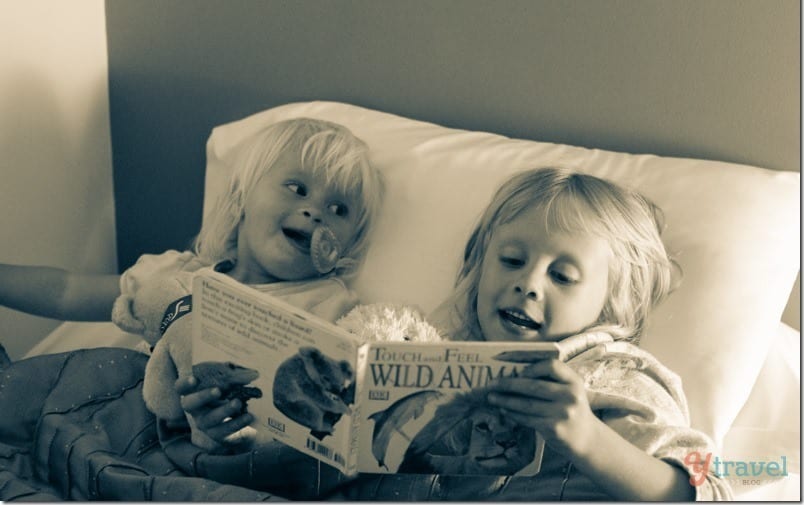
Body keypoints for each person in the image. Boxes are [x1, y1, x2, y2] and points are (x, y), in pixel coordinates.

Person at [180, 167, 733, 500]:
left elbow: (706, 487)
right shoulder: (430, 347)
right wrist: (233, 429)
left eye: (562, 276)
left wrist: (585, 436)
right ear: (480, 263)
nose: (528, 286)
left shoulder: (613, 372)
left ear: (614, 302)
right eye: (512, 260)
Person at [0, 116, 384, 349]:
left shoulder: (332, 308)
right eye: (297, 188)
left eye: (339, 209)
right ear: (241, 198)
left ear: (350, 242)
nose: (315, 212)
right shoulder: (178, 277)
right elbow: (68, 291)